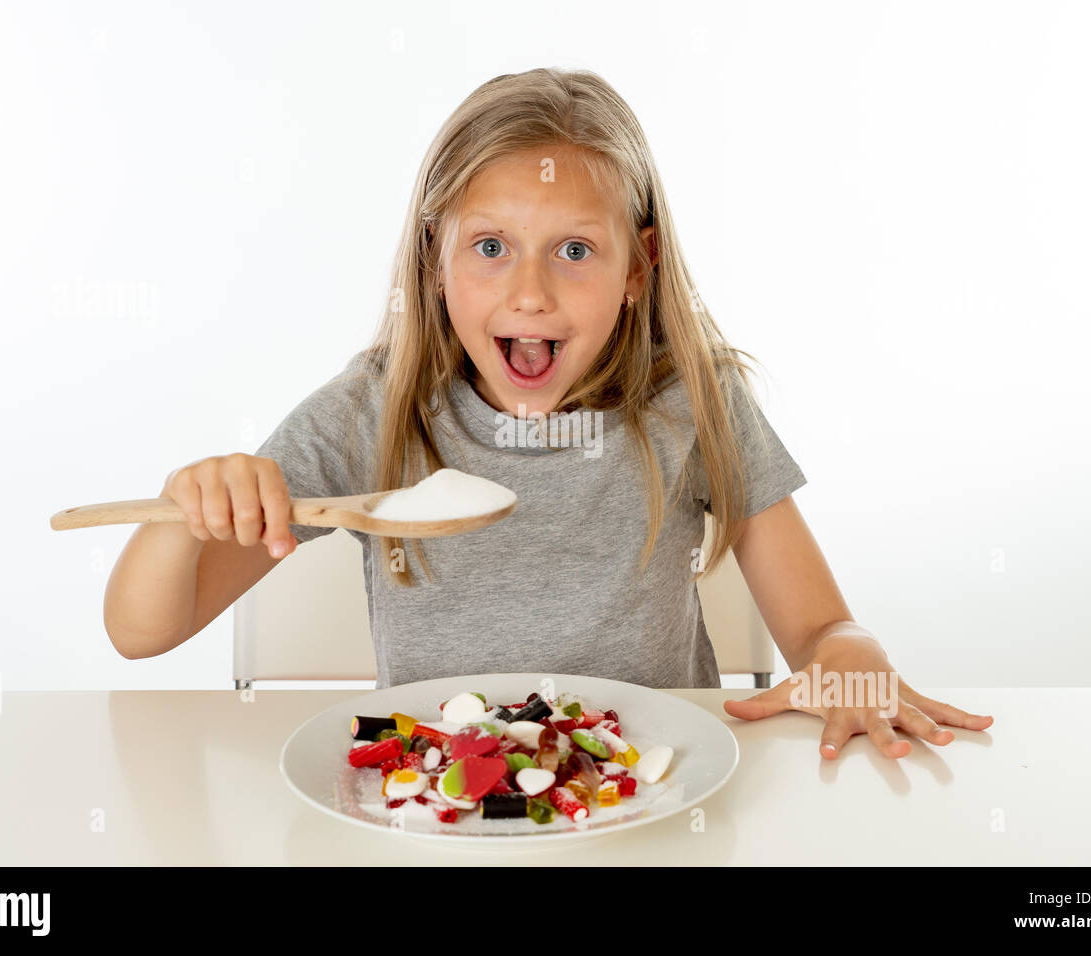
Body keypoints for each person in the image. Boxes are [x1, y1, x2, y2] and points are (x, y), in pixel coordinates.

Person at [104, 67, 993, 760]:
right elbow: (141, 632)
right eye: (490, 248)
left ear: (638, 268)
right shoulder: (373, 412)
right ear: (435, 256)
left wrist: (850, 656)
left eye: (574, 250)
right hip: (441, 802)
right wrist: (190, 507)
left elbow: (819, 629)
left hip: (655, 794)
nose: (529, 293)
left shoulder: (693, 401)